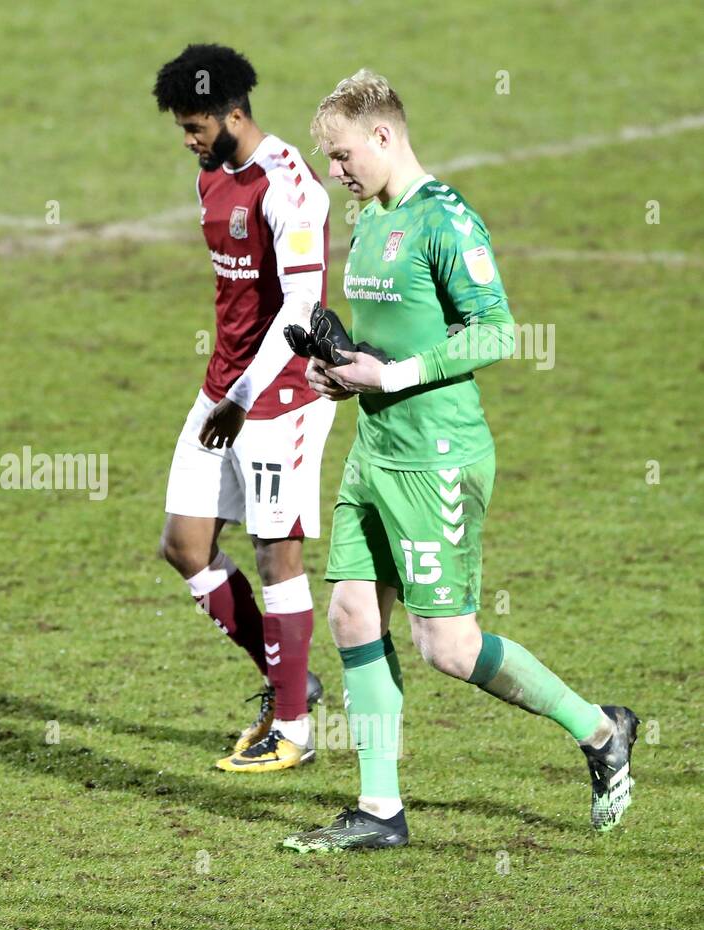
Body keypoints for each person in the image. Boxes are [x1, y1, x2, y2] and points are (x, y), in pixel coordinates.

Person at [281, 71, 637, 851]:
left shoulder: (447, 221)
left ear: (384, 135)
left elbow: (497, 332)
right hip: (375, 447)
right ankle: (380, 812)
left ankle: (599, 730)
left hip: (437, 458)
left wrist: (394, 376)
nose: (333, 171)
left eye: (341, 155)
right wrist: (342, 372)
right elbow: (388, 338)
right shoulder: (371, 216)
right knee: (349, 609)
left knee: (449, 646)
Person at [152, 44, 335, 772]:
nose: (188, 138)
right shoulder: (210, 177)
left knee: (275, 552)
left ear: (235, 113)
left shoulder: (290, 186)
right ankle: (290, 680)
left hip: (279, 393)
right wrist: (224, 391)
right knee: (184, 546)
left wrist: (244, 395)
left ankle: (294, 728)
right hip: (222, 388)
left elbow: (303, 302)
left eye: (196, 125)